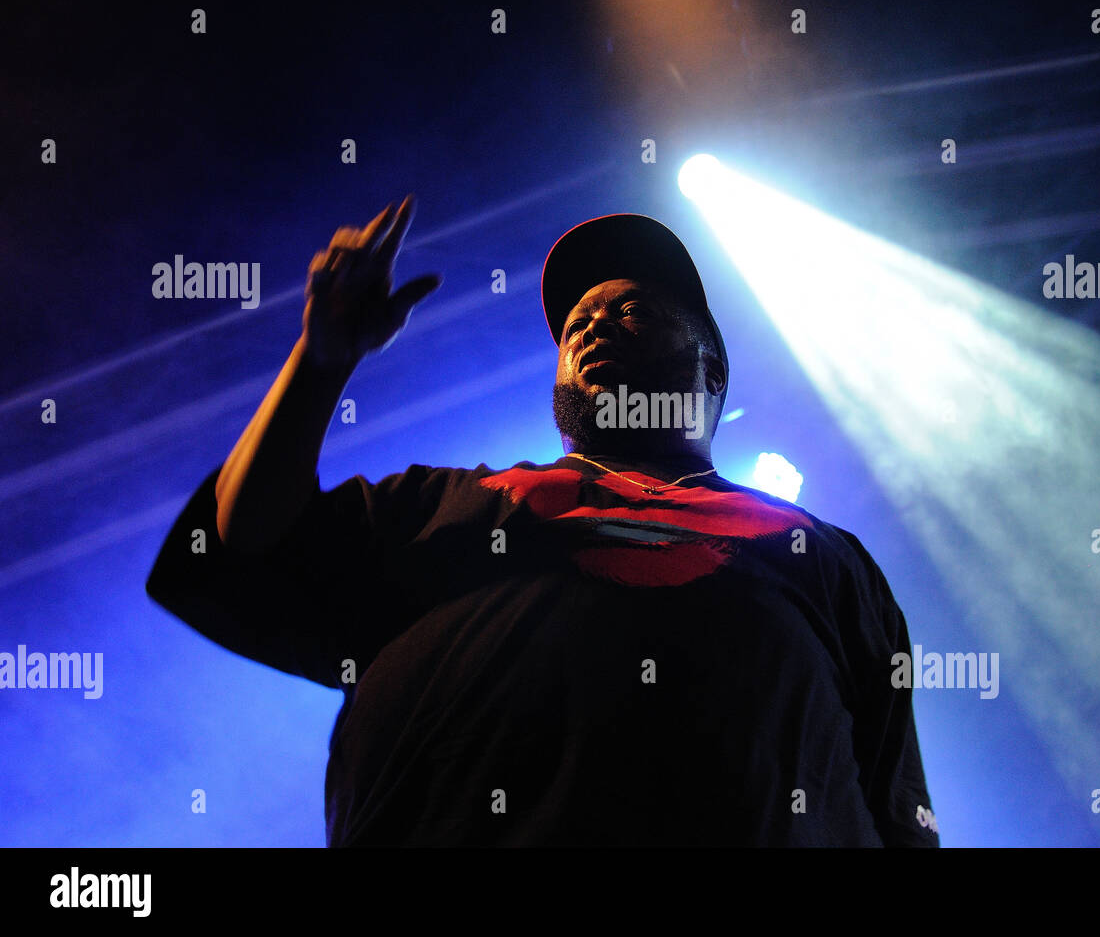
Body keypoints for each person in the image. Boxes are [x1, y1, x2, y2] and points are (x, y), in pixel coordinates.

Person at [145, 197, 940, 847]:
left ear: (712, 366)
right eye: (574, 325)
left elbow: (897, 810)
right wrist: (320, 362)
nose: (590, 324)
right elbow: (245, 537)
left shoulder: (820, 557)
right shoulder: (445, 506)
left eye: (630, 309)